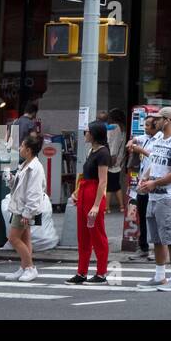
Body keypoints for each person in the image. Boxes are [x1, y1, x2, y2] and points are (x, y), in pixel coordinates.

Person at [137, 106, 171, 291]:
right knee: (157, 239)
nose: (154, 122)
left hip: (169, 197)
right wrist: (146, 177)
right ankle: (160, 276)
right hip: (154, 197)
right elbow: (155, 161)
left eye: (158, 119)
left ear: (166, 120)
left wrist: (155, 183)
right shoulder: (158, 138)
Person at [67, 120, 111, 285]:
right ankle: (81, 272)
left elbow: (103, 182)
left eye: (87, 131)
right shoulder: (92, 151)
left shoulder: (103, 153)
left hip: (94, 195)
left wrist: (96, 205)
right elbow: (85, 177)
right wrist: (77, 192)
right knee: (83, 236)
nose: (85, 133)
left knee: (97, 235)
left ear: (93, 134)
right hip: (85, 192)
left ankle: (101, 273)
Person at [5, 132, 47, 282]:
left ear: (29, 150)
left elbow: (34, 192)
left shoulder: (34, 168)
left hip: (24, 209)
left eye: (22, 146)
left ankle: (29, 267)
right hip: (21, 208)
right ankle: (24, 267)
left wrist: (27, 213)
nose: (20, 148)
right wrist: (10, 179)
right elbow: (19, 186)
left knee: (13, 238)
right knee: (25, 237)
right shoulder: (25, 165)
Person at [124, 112, 160, 262]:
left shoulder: (159, 140)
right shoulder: (145, 138)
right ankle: (143, 247)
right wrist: (131, 143)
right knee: (143, 216)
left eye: (147, 125)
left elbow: (156, 158)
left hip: (154, 183)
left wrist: (141, 151)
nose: (144, 128)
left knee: (154, 218)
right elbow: (134, 140)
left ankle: (155, 249)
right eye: (144, 124)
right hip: (142, 183)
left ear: (155, 126)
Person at [106, 109, 127, 215]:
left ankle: (107, 207)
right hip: (118, 160)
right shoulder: (122, 127)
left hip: (112, 159)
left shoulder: (114, 127)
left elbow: (112, 144)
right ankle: (122, 206)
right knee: (115, 184)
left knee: (109, 185)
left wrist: (111, 157)